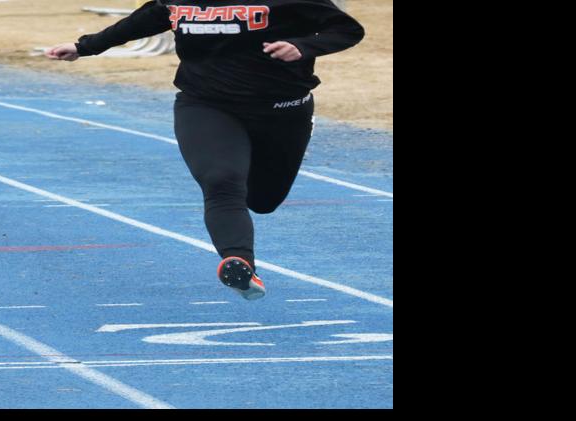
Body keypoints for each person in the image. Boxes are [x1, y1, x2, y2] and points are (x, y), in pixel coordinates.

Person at [47, 0, 363, 300]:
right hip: (205, 103)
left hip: (282, 108)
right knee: (221, 180)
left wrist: (303, 46)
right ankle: (239, 264)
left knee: (264, 200)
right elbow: (147, 18)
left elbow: (347, 30)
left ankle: (247, 222)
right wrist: (84, 47)